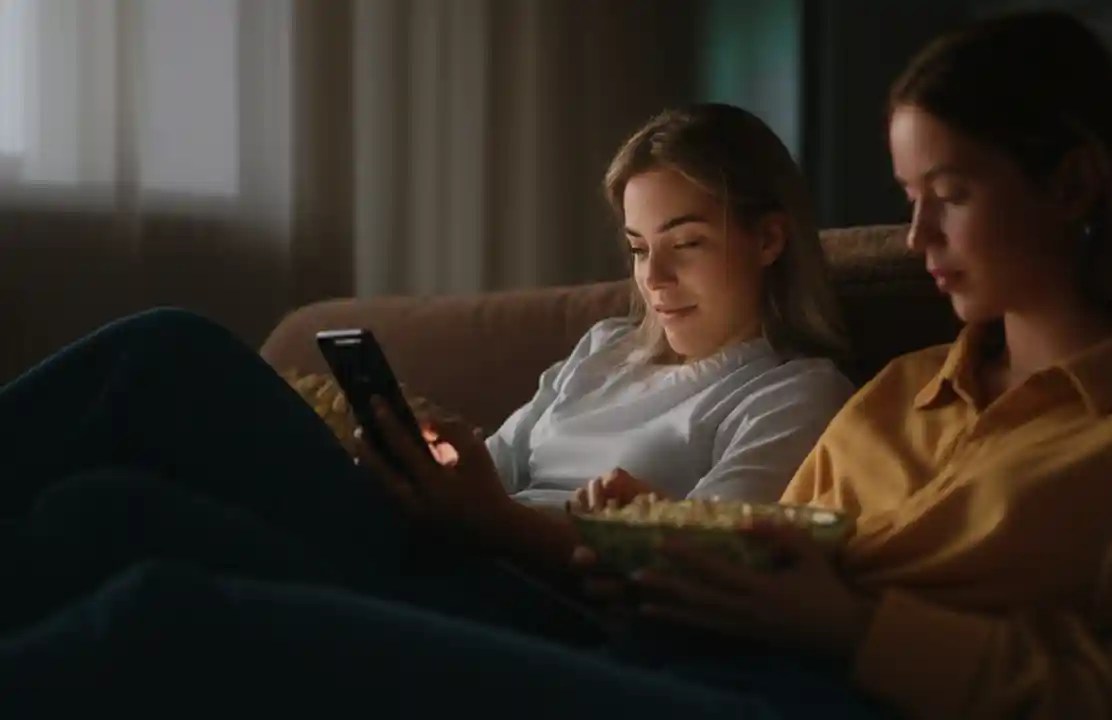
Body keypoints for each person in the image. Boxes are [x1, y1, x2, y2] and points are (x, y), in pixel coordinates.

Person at [5, 11, 1112, 719]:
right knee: (110, 509)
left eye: (947, 194)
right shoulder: (906, 396)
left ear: (1072, 184)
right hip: (650, 641)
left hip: (809, 703)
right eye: (906, 196)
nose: (912, 241)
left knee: (163, 616)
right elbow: (771, 547)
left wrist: (864, 630)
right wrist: (655, 546)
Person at [0, 103, 853, 625]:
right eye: (636, 249)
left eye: (687, 245)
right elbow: (499, 463)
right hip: (437, 543)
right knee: (101, 511)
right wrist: (426, 456)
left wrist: (493, 520)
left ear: (770, 237)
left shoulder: (795, 392)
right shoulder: (604, 353)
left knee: (170, 350)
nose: (653, 280)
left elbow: (699, 580)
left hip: (531, 602)